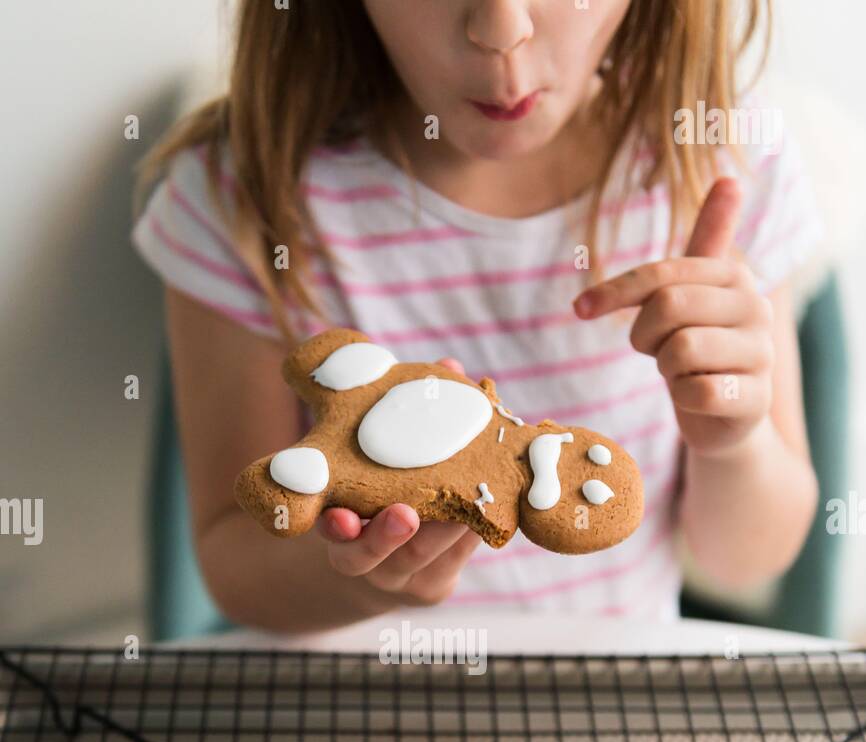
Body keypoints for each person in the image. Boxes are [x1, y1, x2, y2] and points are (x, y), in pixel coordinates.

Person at [134, 0, 820, 634]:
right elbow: (235, 567)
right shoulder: (239, 194)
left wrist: (731, 438)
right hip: (358, 714)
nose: (500, 29)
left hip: (610, 694)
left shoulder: (723, 165)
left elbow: (749, 558)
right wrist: (371, 579)